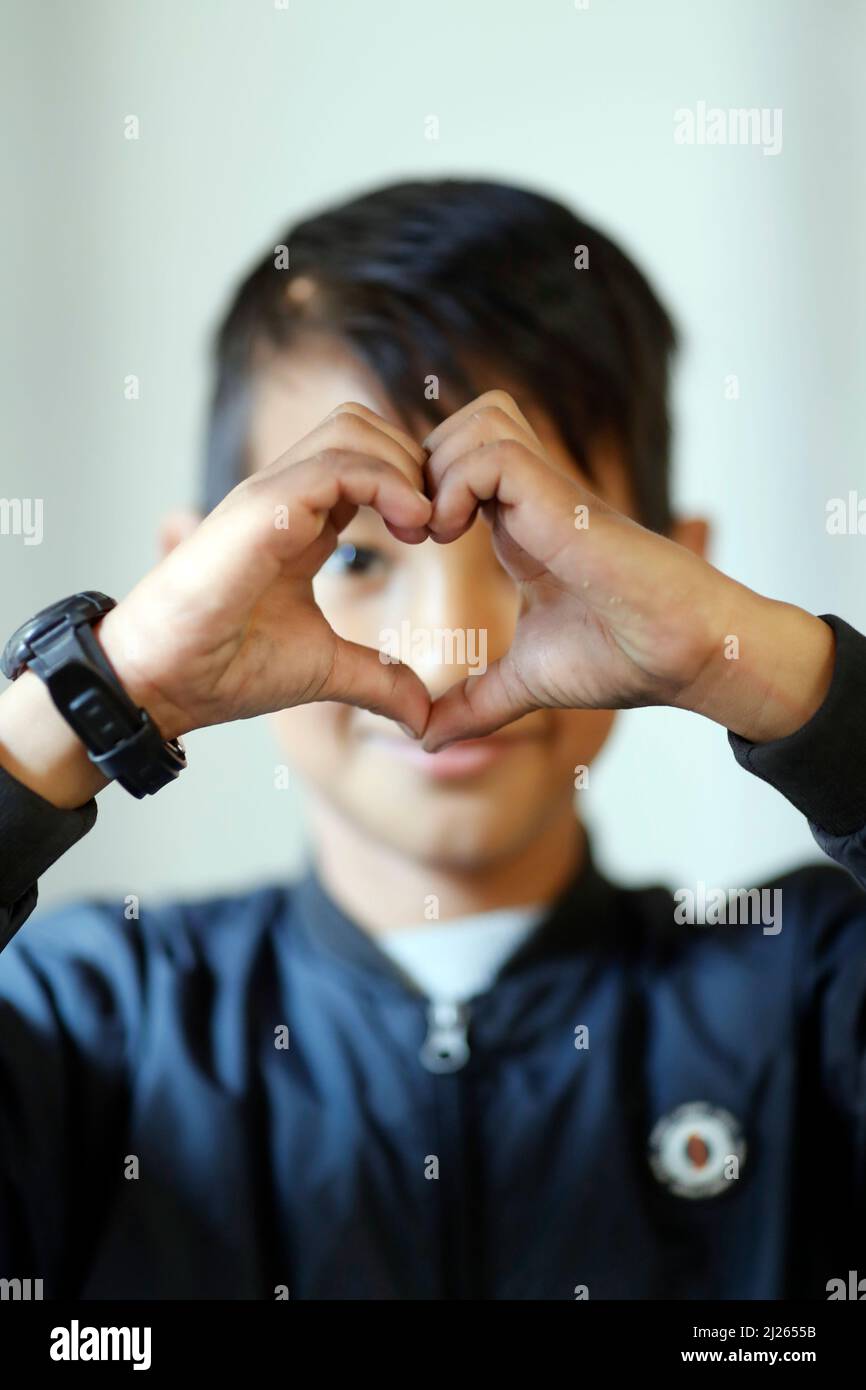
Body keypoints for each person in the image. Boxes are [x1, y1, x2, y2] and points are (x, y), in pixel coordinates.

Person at [0, 179, 863, 1300]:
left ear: (677, 568)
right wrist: (99, 684)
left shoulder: (808, 998)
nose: (451, 652)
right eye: (352, 558)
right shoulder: (87, 1020)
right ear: (195, 578)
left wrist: (755, 657)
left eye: (535, 549)